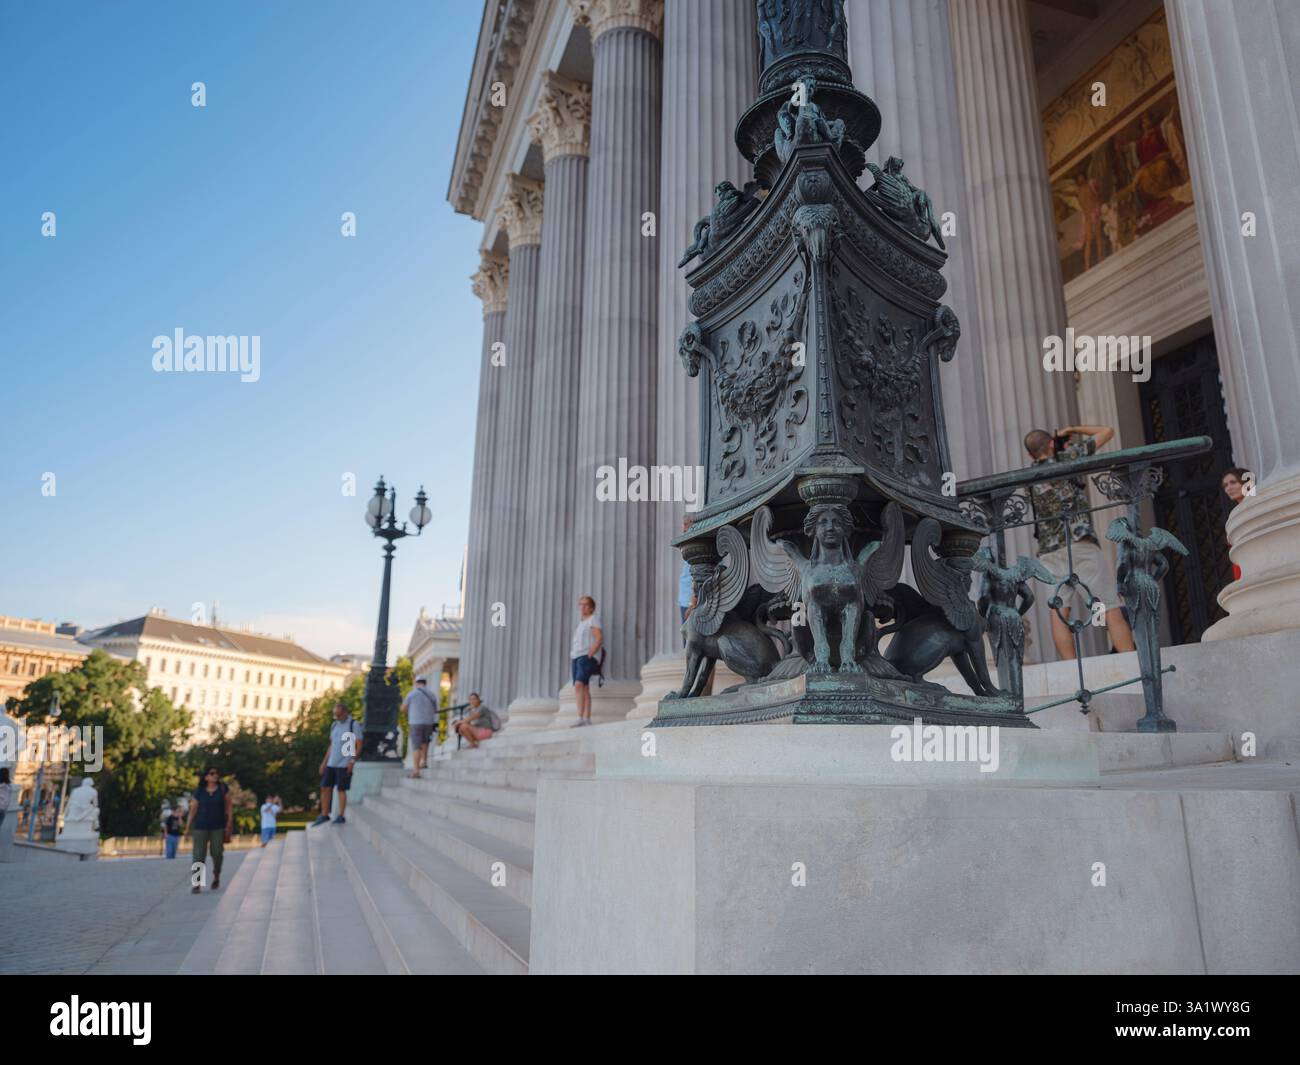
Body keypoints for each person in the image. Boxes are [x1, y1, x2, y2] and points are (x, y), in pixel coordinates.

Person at [1024, 425, 1136, 660]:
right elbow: (1108, 431)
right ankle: (1130, 663)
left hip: (1049, 551)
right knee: (1109, 606)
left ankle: (1070, 669)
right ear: (1052, 444)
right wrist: (1073, 429)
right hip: (1079, 542)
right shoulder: (1068, 458)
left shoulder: (1028, 478)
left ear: (1030, 454)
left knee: (1058, 611)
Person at [312, 702, 360, 827]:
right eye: (335, 715)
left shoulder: (352, 725)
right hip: (332, 762)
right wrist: (324, 762)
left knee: (341, 789)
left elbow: (359, 744)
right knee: (325, 787)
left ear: (345, 713)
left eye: (338, 715)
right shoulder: (334, 725)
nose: (336, 717)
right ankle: (324, 814)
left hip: (344, 763)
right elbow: (331, 745)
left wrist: (352, 761)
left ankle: (341, 815)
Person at [184, 766, 232, 892]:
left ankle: (216, 875)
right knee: (198, 855)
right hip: (201, 827)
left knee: (217, 853)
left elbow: (229, 807)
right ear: (206, 777)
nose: (215, 775)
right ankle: (197, 883)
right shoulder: (199, 792)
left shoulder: (223, 789)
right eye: (212, 773)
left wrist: (229, 824)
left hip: (218, 827)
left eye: (217, 773)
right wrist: (187, 828)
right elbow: (193, 810)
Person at [569, 595, 603, 727]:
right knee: (584, 686)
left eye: (586, 605)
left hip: (585, 657)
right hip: (576, 657)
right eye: (581, 604)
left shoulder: (592, 620)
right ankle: (586, 718)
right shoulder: (582, 622)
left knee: (579, 685)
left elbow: (599, 638)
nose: (582, 607)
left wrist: (590, 654)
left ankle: (580, 717)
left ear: (592, 608)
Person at [402, 675, 439, 779]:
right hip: (428, 722)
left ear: (416, 682)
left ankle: (416, 770)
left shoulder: (412, 694)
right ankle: (424, 761)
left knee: (416, 746)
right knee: (425, 743)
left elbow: (403, 708)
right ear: (425, 683)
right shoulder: (432, 695)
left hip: (415, 722)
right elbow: (435, 709)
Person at [1221, 467, 1252, 581]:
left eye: (1233, 482)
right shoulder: (1235, 513)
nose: (1229, 488)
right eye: (1225, 485)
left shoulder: (1255, 506)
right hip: (1242, 566)